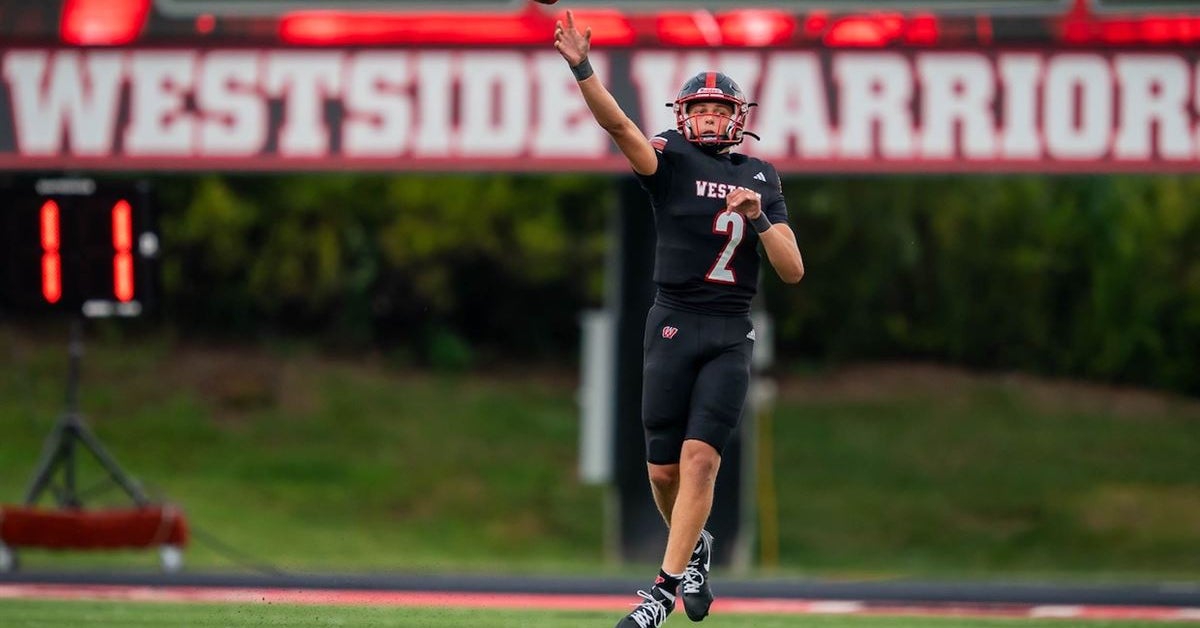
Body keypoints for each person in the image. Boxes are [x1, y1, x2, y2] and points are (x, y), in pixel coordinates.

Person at [554, 10, 805, 628]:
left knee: (701, 461)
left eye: (720, 111)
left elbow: (793, 269)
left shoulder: (760, 175)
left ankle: (660, 593)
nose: (711, 119)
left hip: (728, 332)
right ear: (684, 115)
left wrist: (759, 217)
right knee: (663, 471)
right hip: (670, 323)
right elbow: (619, 125)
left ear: (737, 119)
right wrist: (583, 69)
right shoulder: (670, 160)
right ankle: (695, 552)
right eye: (702, 110)